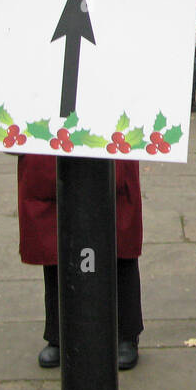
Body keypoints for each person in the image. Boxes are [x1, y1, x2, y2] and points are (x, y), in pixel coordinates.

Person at [16, 154, 145, 370]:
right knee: (54, 241)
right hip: (50, 140)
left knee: (119, 236)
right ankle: (58, 334)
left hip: (111, 136)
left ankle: (126, 333)